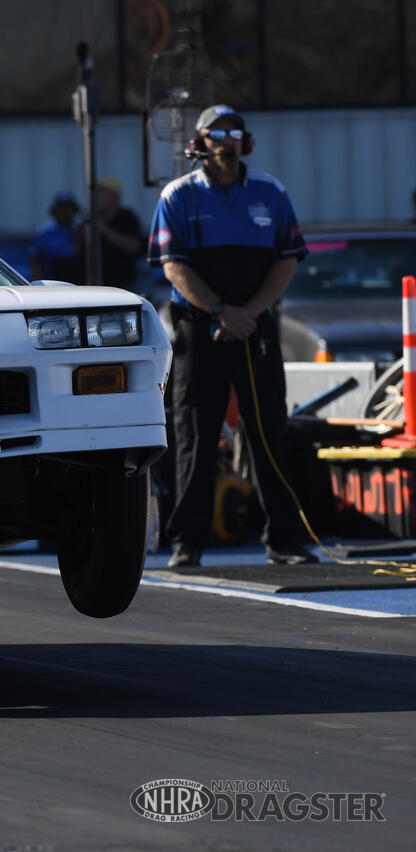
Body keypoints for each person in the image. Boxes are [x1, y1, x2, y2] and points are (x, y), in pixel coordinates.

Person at [148, 104, 317, 568]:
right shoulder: (179, 195)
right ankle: (187, 542)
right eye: (216, 134)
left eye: (233, 133)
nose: (226, 141)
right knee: (196, 434)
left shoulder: (270, 192)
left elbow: (288, 259)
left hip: (256, 328)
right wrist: (222, 311)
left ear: (247, 141)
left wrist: (249, 314)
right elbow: (173, 266)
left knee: (268, 430)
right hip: (201, 330)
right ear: (199, 143)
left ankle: (284, 540)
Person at [77, 175, 144, 290]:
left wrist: (104, 229)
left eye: (103, 193)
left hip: (122, 285)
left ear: (114, 196)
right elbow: (78, 249)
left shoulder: (127, 217)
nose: (98, 197)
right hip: (94, 285)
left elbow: (133, 247)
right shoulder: (91, 217)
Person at [28, 191, 83, 283]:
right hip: (51, 283)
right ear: (55, 211)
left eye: (69, 209)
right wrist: (39, 284)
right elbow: (34, 261)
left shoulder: (81, 231)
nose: (66, 212)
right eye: (62, 209)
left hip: (76, 283)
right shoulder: (44, 232)